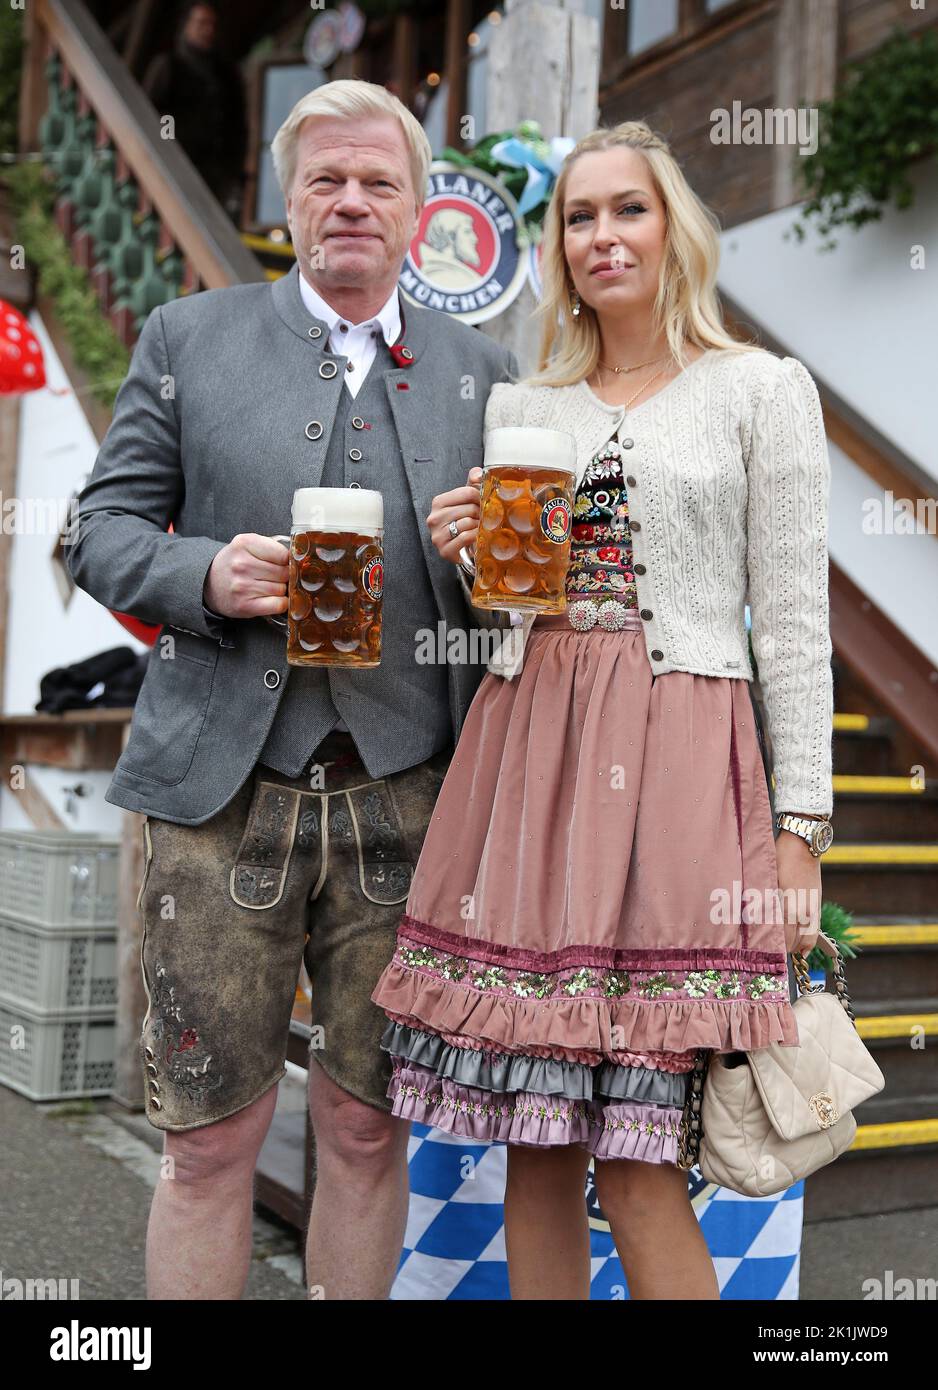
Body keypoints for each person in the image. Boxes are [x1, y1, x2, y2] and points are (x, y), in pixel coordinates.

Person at [65, 78, 517, 1300]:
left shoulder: (488, 370)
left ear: (420, 209)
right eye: (326, 179)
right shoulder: (185, 338)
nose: (352, 202)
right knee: (206, 1143)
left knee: (370, 1132)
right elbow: (95, 531)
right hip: (221, 791)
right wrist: (203, 569)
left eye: (378, 181)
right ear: (287, 197)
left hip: (409, 797)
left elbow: (520, 593)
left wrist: (492, 560)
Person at [370, 120, 835, 1300]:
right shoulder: (528, 404)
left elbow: (787, 626)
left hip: (680, 758)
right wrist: (468, 554)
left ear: (670, 226)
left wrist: (798, 833)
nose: (601, 236)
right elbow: (512, 617)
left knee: (637, 1159)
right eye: (577, 217)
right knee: (534, 1144)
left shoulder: (758, 389)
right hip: (533, 754)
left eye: (626, 209)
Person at [142, 0, 248, 220]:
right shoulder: (168, 65)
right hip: (177, 166)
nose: (207, 31)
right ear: (186, 26)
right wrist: (168, 149)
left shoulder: (225, 73)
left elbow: (238, 124)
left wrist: (234, 166)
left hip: (217, 173)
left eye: (211, 25)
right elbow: (152, 114)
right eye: (200, 23)